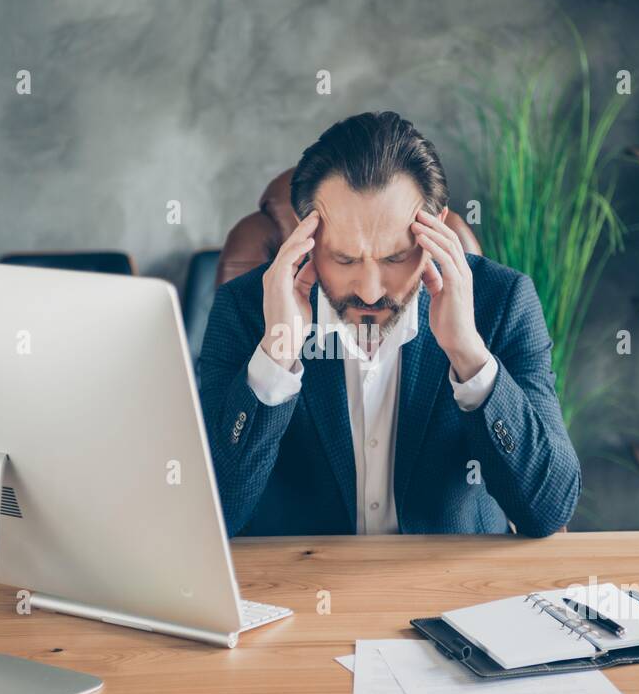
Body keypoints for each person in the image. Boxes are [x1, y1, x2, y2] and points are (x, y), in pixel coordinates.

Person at [198, 111, 580, 537]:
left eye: (395, 257)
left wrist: (469, 357)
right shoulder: (244, 308)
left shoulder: (503, 301)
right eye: (343, 259)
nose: (368, 290)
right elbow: (212, 518)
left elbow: (547, 510)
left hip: (455, 592)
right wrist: (276, 355)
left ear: (435, 232)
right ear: (305, 240)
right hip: (301, 590)